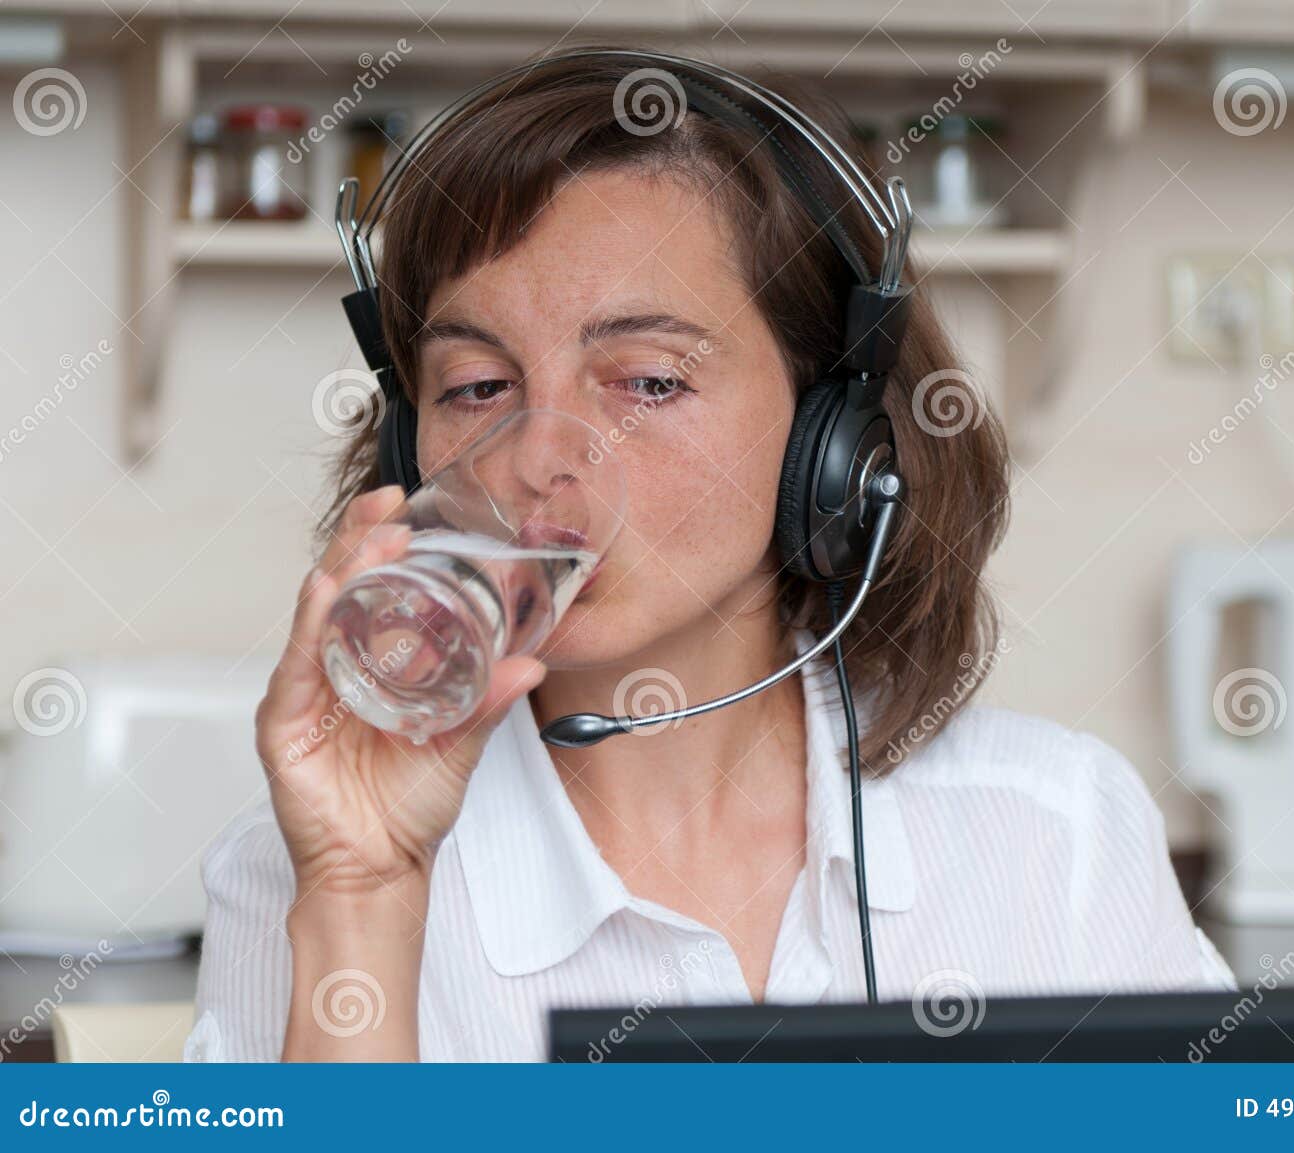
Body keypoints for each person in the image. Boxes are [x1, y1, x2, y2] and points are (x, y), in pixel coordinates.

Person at [185, 49, 1234, 1063]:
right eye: (476, 387)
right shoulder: (304, 868)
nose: (538, 458)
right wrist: (362, 898)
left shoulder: (1054, 832)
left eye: (645, 381)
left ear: (836, 443)